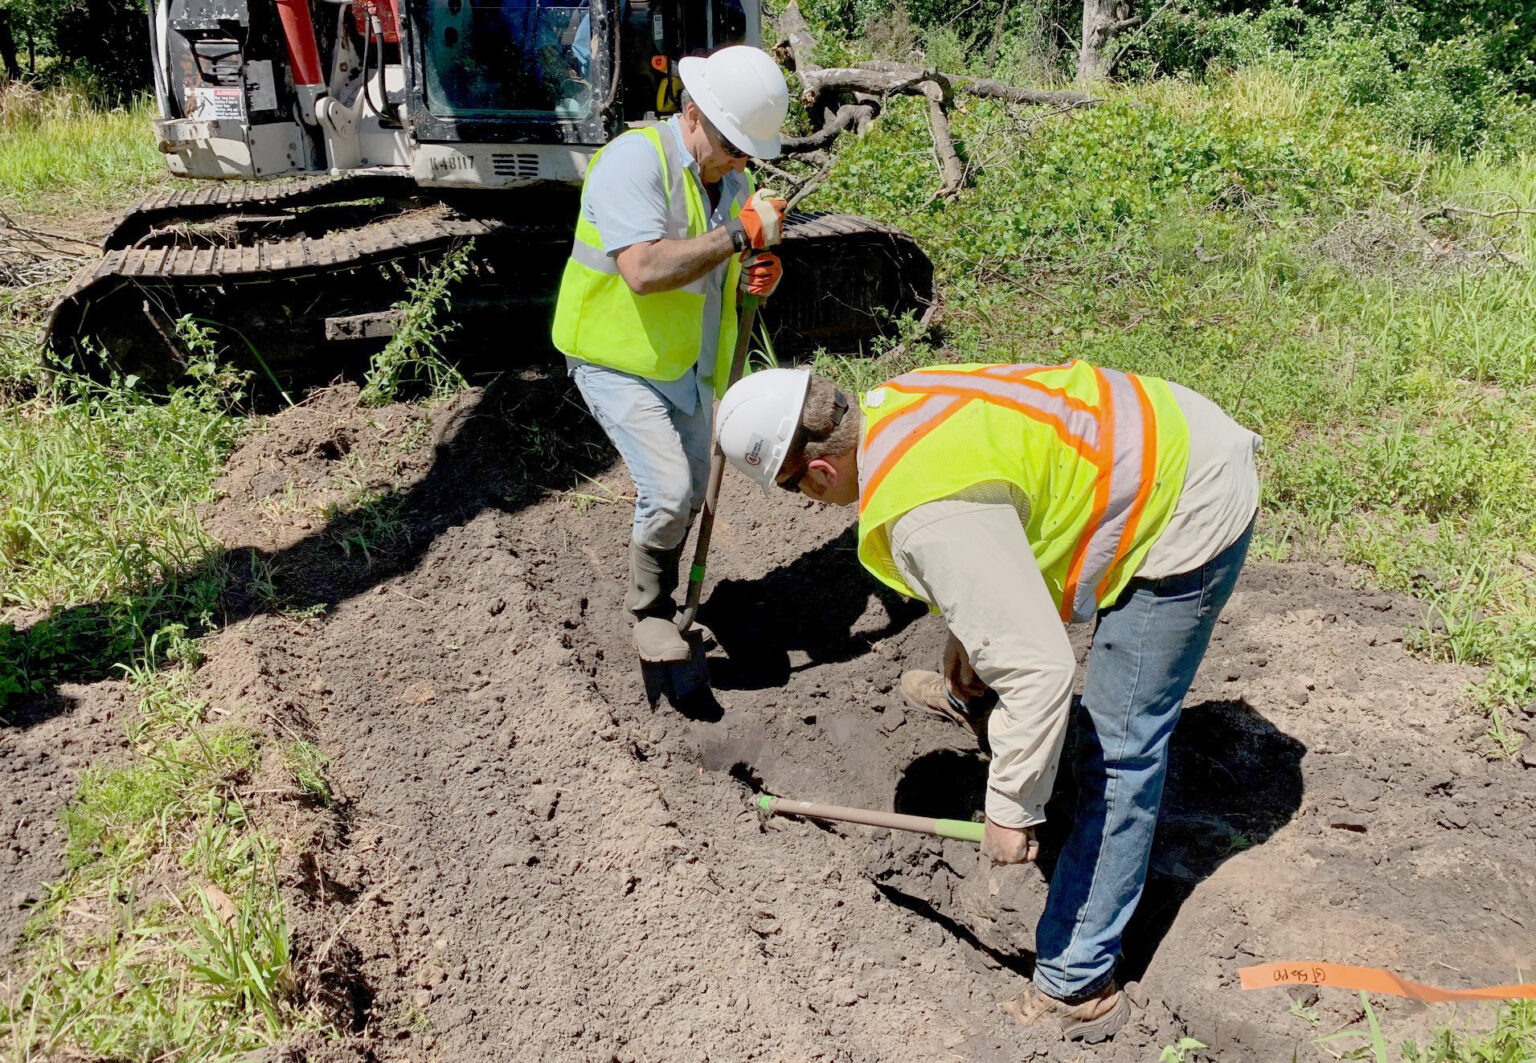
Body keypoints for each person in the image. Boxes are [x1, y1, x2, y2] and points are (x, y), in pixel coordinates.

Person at [713, 359, 1260, 1043]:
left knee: (1117, 754)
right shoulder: (896, 406)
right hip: (1160, 430)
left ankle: (1078, 981)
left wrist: (1009, 809)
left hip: (1186, 502)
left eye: (792, 488)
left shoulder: (922, 513)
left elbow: (1041, 670)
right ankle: (994, 718)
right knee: (1002, 654)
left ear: (819, 473)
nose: (803, 499)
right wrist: (970, 629)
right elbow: (1000, 495)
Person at [551, 45, 790, 663]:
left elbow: (719, 270)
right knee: (669, 488)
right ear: (693, 113)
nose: (739, 160)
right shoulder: (633, 161)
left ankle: (673, 598)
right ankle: (650, 610)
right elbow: (644, 270)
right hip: (614, 358)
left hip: (683, 365)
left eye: (747, 151)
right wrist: (738, 233)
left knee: (687, 497)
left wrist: (755, 272)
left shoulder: (731, 181)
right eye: (732, 144)